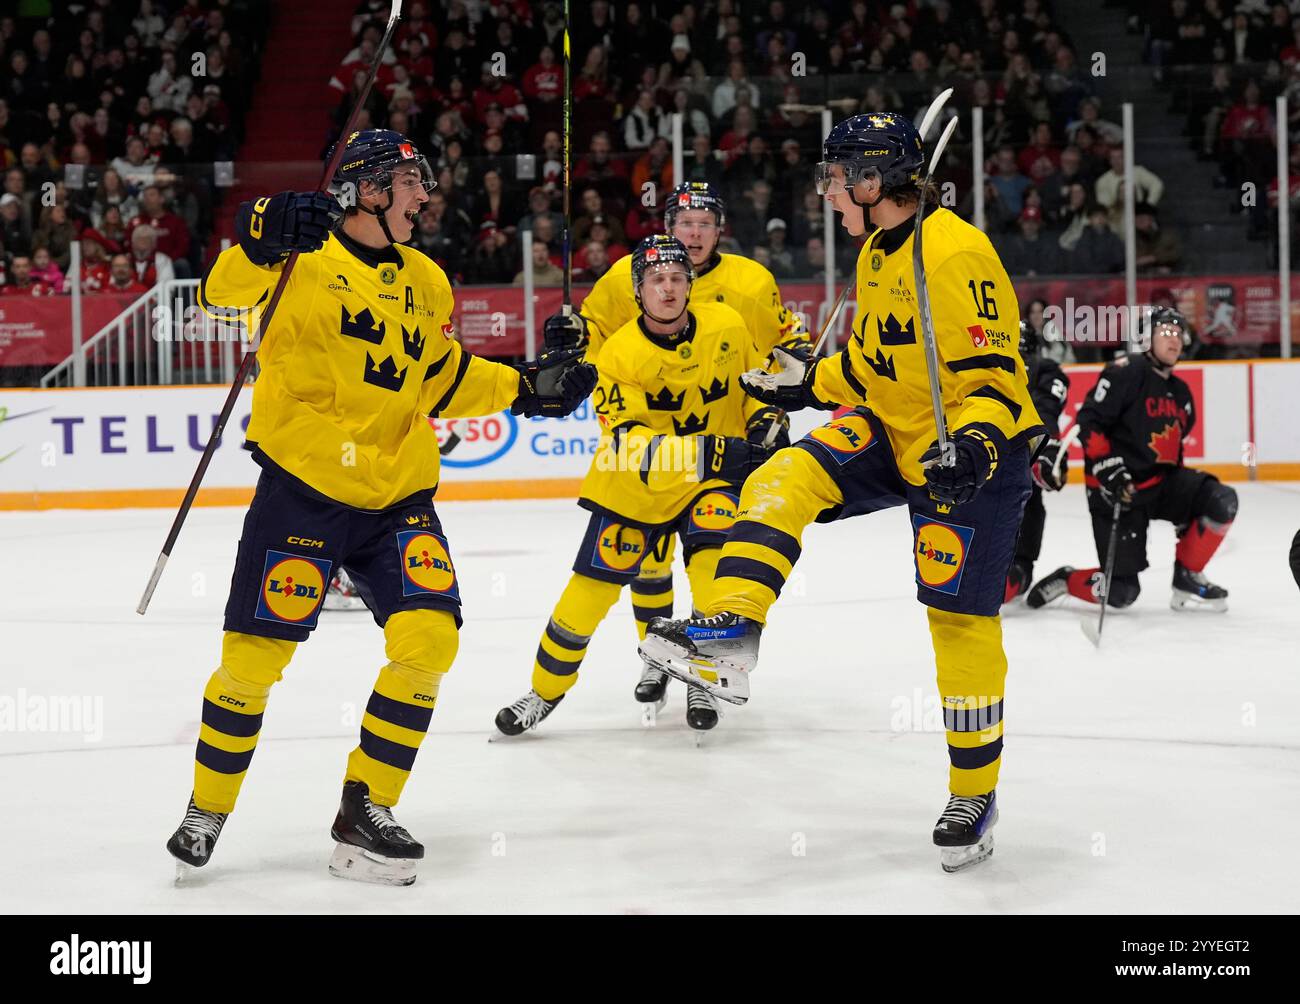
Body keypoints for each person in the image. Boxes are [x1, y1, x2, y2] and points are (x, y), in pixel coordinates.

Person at [164, 129, 595, 886]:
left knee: (430, 640)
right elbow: (223, 295)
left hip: (397, 495)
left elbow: (439, 376)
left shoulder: (427, 279)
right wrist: (259, 238)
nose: (423, 195)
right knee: (251, 665)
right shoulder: (300, 255)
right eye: (408, 182)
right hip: (305, 489)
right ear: (366, 189)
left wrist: (531, 387)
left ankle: (367, 806)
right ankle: (207, 809)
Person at [639, 110, 1044, 873]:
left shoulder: (955, 254)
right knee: (784, 472)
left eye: (834, 177)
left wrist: (981, 443)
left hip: (972, 455)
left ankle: (974, 792)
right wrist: (805, 384)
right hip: (896, 434)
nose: (826, 192)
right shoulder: (878, 253)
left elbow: (993, 376)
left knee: (957, 625)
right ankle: (733, 632)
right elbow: (871, 365)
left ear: (871, 179)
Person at [494, 236, 776, 736]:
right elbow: (629, 446)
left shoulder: (728, 327)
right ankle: (543, 692)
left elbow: (751, 388)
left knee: (713, 571)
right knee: (583, 600)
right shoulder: (618, 353)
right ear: (638, 290)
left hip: (709, 485)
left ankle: (700, 676)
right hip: (635, 488)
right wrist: (715, 450)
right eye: (655, 281)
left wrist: (766, 418)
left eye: (675, 278)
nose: (667, 289)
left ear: (690, 283)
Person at [546, 180, 810, 712]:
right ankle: (656, 656)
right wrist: (572, 332)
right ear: (667, 230)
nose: (694, 232)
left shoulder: (748, 286)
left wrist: (778, 394)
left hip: (716, 455)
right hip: (654, 455)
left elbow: (770, 352)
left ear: (719, 231)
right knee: (647, 566)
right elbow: (594, 333)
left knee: (711, 568)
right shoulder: (625, 278)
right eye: (685, 223)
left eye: (704, 223)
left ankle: (700, 673)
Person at [1027, 307, 1236, 613]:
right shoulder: (1126, 370)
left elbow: (1173, 449)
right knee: (1122, 592)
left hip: (1159, 484)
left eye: (1179, 335)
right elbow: (1090, 421)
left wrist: (1185, 505)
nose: (1174, 340)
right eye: (1166, 333)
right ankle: (1069, 580)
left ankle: (1187, 577)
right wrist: (1108, 469)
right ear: (1146, 337)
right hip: (1114, 491)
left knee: (1221, 500)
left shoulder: (1181, 393)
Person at [1004, 321, 1071, 602]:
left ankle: (1012, 574)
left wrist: (1044, 446)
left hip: (1014, 474)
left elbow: (1046, 410)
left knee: (1005, 580)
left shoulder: (1043, 369)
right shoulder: (983, 369)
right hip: (989, 472)